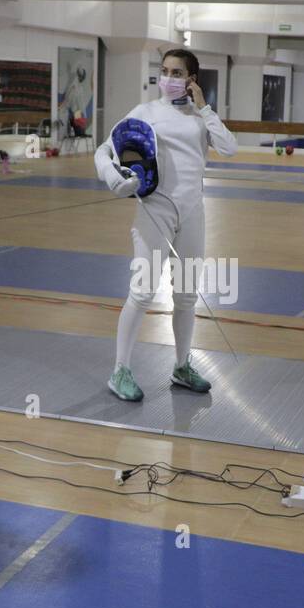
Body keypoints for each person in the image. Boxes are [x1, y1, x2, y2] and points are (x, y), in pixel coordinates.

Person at [94, 48, 237, 402]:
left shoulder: (202, 118)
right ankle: (120, 371)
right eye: (165, 70)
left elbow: (229, 148)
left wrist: (204, 107)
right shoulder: (145, 112)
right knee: (142, 292)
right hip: (154, 211)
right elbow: (103, 152)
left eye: (177, 72)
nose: (169, 78)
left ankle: (181, 366)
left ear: (191, 80)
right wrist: (115, 179)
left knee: (186, 297)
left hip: (193, 214)